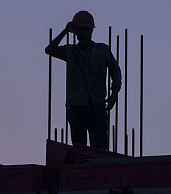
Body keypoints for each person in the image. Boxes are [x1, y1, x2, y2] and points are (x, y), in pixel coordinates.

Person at [45, 10, 122, 149]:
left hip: (97, 107)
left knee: (99, 151)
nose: (85, 34)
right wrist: (65, 31)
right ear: (76, 32)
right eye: (81, 30)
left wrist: (114, 94)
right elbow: (50, 49)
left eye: (88, 30)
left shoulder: (102, 50)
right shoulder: (70, 51)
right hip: (77, 108)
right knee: (79, 151)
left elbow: (115, 70)